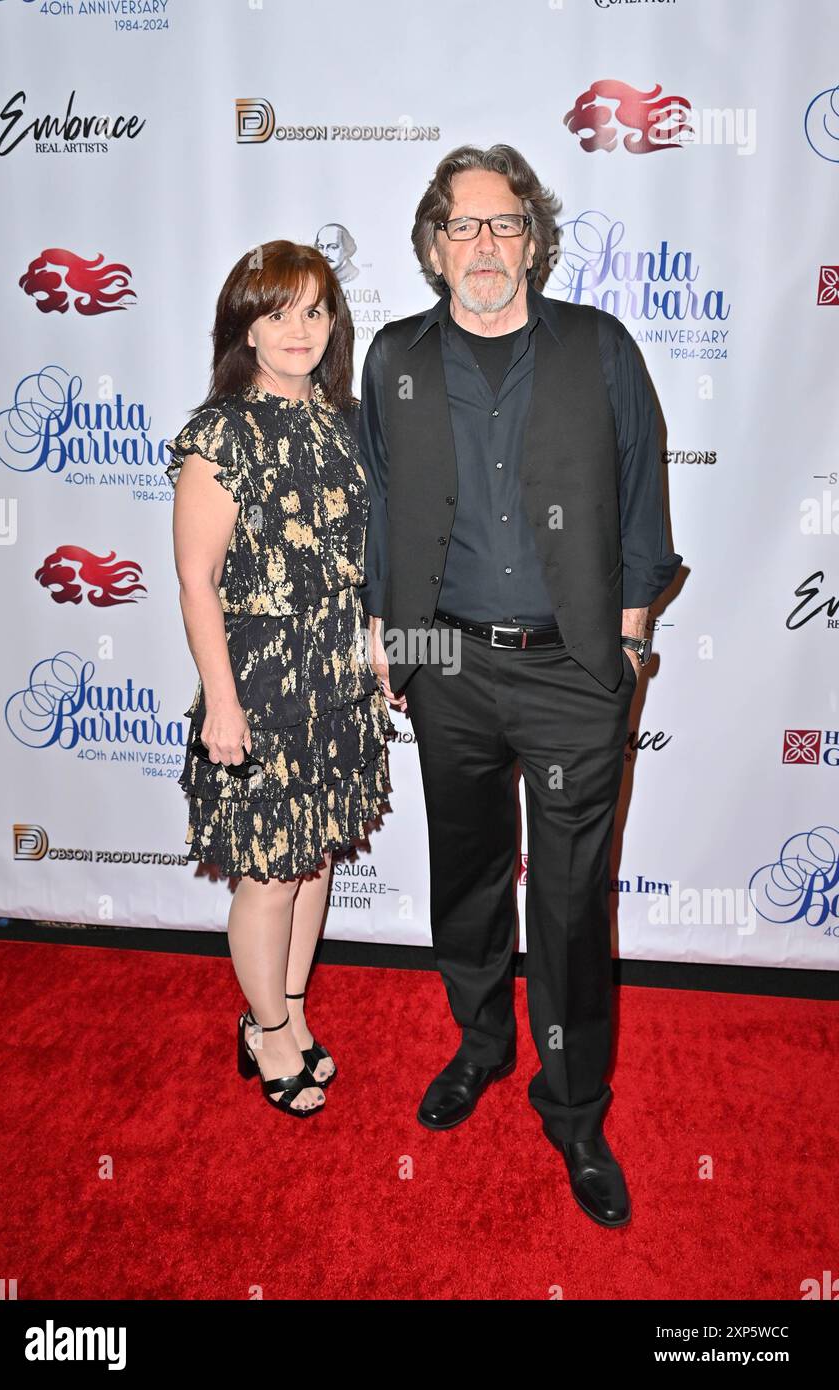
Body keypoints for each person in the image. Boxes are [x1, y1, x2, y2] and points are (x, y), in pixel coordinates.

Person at [358, 145, 682, 1225]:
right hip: (445, 661)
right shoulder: (394, 358)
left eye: (504, 225)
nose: (484, 245)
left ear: (536, 240)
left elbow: (643, 497)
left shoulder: (598, 347)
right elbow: (381, 506)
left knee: (574, 900)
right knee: (469, 870)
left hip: (572, 668)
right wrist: (388, 636)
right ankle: (483, 1042)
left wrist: (627, 640)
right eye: (463, 226)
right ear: (433, 245)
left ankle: (575, 1104)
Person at [165, 241, 395, 1119]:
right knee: (268, 870)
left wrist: (379, 643)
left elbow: (371, 557)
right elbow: (196, 579)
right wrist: (221, 702)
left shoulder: (348, 422)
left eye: (313, 311)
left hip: (336, 678)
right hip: (259, 684)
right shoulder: (221, 431)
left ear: (332, 324)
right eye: (276, 311)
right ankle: (262, 1031)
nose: (297, 329)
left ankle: (291, 1011)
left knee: (316, 854)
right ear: (245, 327)